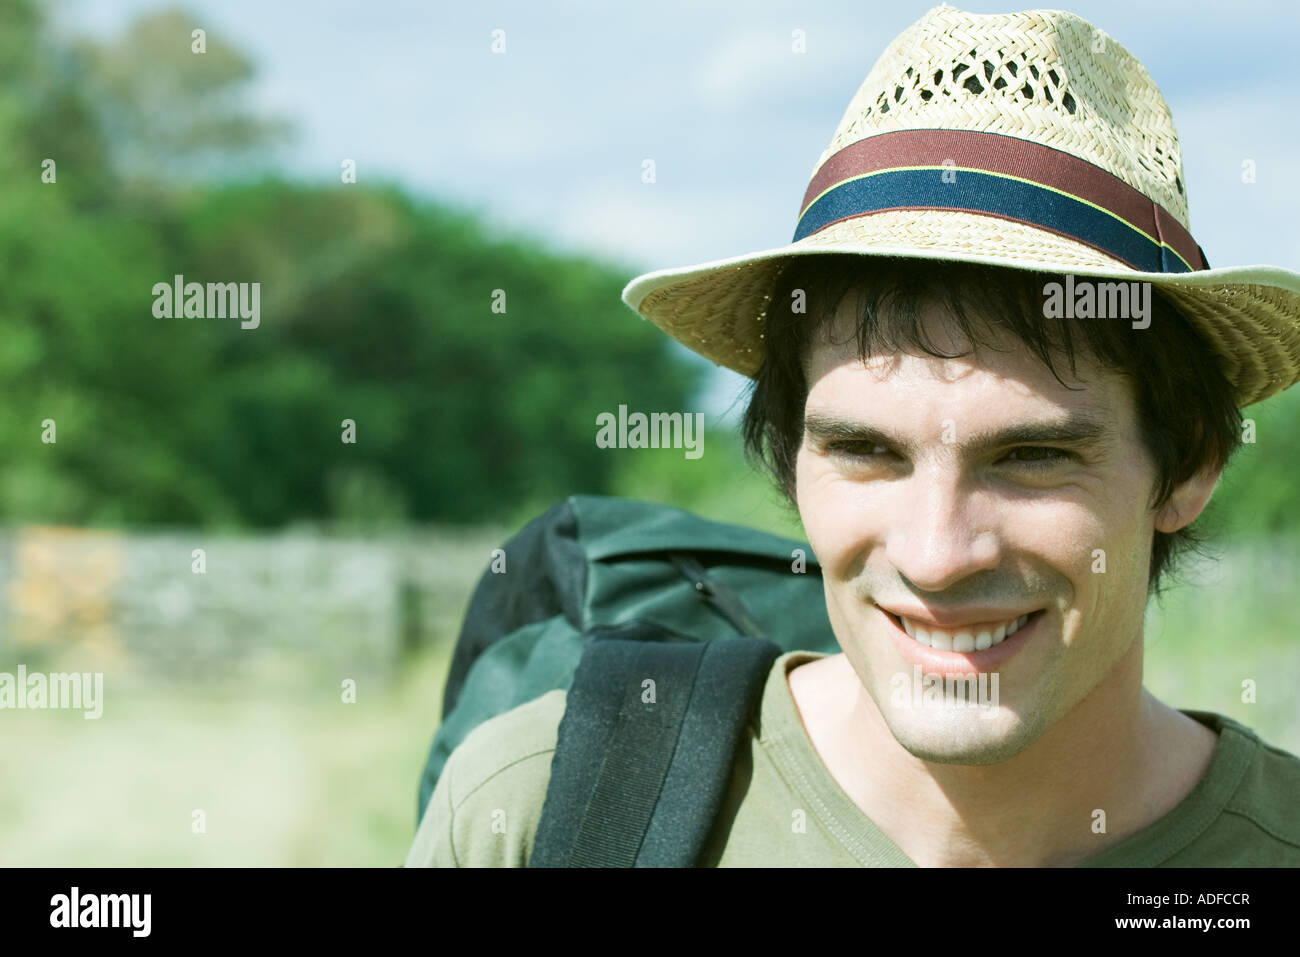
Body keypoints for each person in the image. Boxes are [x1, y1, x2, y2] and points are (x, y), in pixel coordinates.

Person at [406, 3, 1300, 866]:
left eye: (1030, 456)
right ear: (791, 460)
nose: (937, 554)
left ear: (1189, 464)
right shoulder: (535, 811)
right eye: (867, 452)